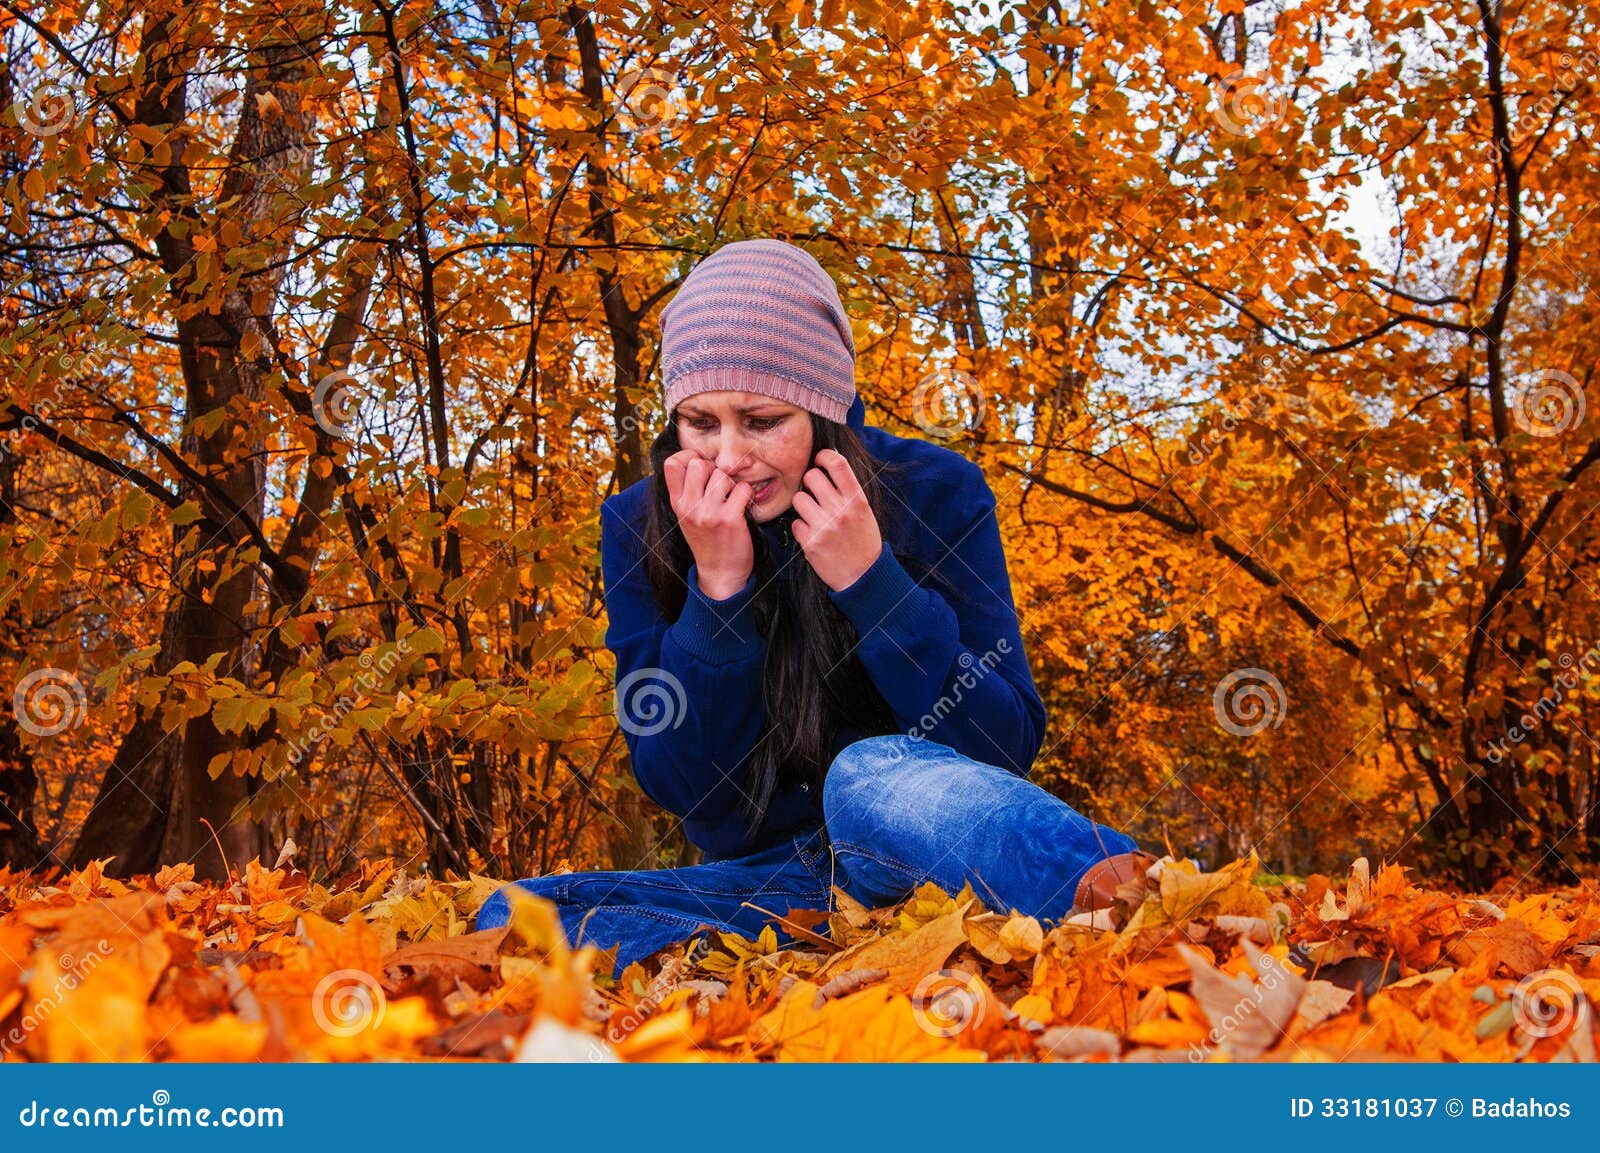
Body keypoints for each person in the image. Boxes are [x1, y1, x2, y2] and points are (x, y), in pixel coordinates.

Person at [473, 238, 1150, 976]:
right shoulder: (640, 524)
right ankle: (840, 952)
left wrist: (874, 584)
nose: (728, 458)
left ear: (825, 408)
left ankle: (1135, 907)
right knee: (516, 916)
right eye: (700, 422)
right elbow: (685, 791)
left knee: (863, 774)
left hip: (924, 842)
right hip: (779, 886)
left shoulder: (937, 490)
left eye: (761, 420)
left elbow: (1004, 743)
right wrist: (717, 592)